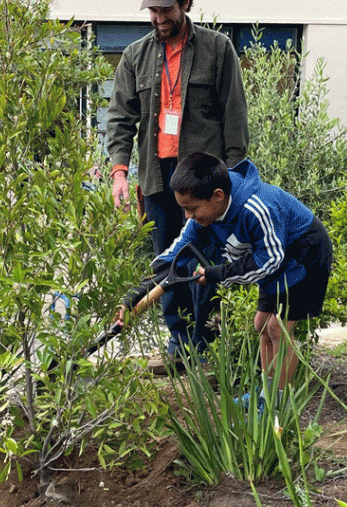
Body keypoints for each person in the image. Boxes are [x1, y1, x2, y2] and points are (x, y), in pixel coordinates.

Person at [106, 0, 249, 368]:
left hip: (203, 180)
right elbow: (120, 119)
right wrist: (119, 171)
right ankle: (180, 347)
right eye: (152, 10)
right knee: (166, 260)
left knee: (205, 260)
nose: (159, 18)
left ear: (185, 2)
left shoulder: (218, 49)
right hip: (157, 178)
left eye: (166, 9)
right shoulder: (135, 56)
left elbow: (235, 117)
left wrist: (234, 177)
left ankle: (207, 346)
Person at [125, 152, 333, 405]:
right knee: (261, 325)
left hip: (305, 254)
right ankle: (265, 396)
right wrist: (133, 297)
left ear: (217, 196)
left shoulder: (257, 208)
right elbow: (173, 255)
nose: (188, 216)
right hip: (274, 256)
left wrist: (217, 274)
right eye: (184, 209)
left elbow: (269, 261)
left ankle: (278, 405)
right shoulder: (204, 214)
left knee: (278, 329)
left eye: (192, 209)